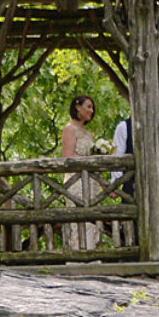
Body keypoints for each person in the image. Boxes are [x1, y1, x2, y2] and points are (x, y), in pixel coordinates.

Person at [59, 95, 101, 250]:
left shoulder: (88, 134)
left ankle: (91, 251)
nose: (91, 110)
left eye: (92, 108)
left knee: (91, 217)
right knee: (78, 217)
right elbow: (68, 156)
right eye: (88, 106)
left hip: (90, 181)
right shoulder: (70, 129)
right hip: (76, 180)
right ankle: (78, 253)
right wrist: (88, 160)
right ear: (78, 107)